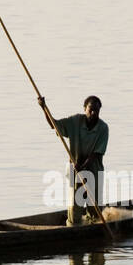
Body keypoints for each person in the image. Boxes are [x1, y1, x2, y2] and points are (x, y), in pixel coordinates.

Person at [39, 94, 108, 226]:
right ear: (84, 109)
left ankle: (94, 230)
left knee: (95, 209)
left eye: (97, 111)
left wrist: (83, 166)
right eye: (90, 110)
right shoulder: (75, 121)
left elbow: (96, 154)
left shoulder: (103, 128)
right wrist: (44, 108)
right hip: (76, 171)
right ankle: (74, 227)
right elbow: (55, 124)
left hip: (93, 170)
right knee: (75, 209)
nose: (93, 113)